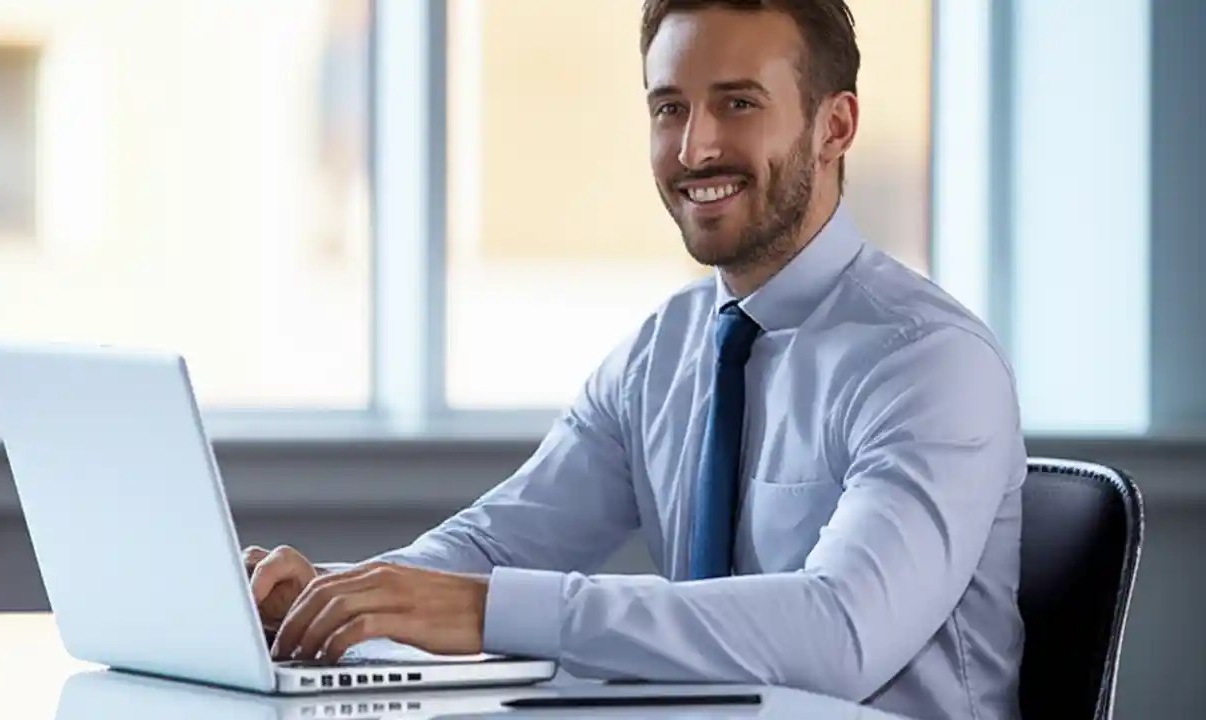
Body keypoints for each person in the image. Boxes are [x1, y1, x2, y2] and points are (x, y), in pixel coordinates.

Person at [247, 1, 1026, 718]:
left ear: (835, 126)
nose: (695, 147)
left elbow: (841, 633)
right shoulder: (665, 351)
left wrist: (488, 609)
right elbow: (498, 544)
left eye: (738, 103)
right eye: (670, 109)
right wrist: (335, 594)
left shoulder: (929, 362)